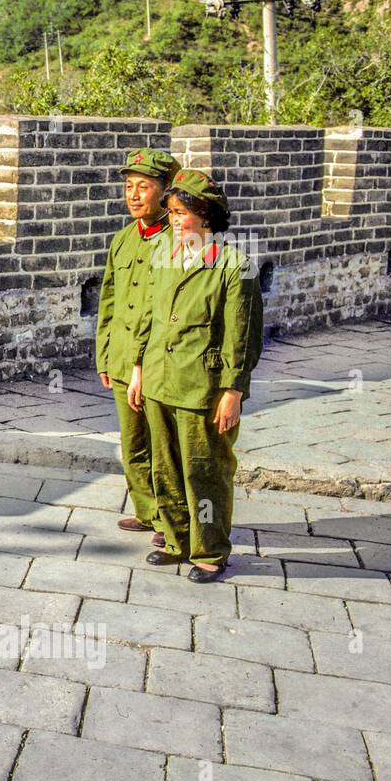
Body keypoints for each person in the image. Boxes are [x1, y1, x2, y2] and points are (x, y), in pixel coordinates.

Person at [128, 169, 264, 583]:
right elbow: (148, 317)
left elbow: (242, 336)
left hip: (201, 387)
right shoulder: (163, 256)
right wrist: (137, 370)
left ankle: (209, 550)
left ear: (205, 217)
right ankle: (175, 539)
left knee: (204, 470)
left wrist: (233, 391)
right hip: (157, 379)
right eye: (170, 212)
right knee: (165, 467)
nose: (174, 220)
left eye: (182, 213)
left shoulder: (234, 265)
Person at [95, 148, 179, 547]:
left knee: (163, 445)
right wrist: (105, 355)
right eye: (129, 187)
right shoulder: (124, 239)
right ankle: (147, 511)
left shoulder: (179, 242)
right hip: (122, 357)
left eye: (143, 187)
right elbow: (108, 300)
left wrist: (144, 364)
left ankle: (170, 522)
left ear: (165, 192)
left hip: (158, 364)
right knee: (132, 443)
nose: (133, 195)